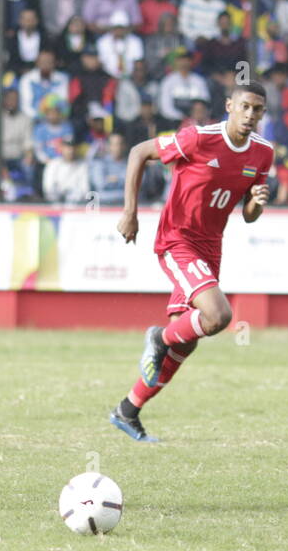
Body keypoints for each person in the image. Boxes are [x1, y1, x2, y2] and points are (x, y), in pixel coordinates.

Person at [109, 80, 274, 441]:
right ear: (229, 106)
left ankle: (127, 410)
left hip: (211, 246)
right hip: (177, 239)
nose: (250, 115)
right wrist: (130, 213)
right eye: (244, 106)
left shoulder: (263, 153)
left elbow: (247, 215)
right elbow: (139, 151)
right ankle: (158, 337)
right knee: (218, 316)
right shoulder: (198, 138)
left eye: (257, 110)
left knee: (188, 341)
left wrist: (256, 203)